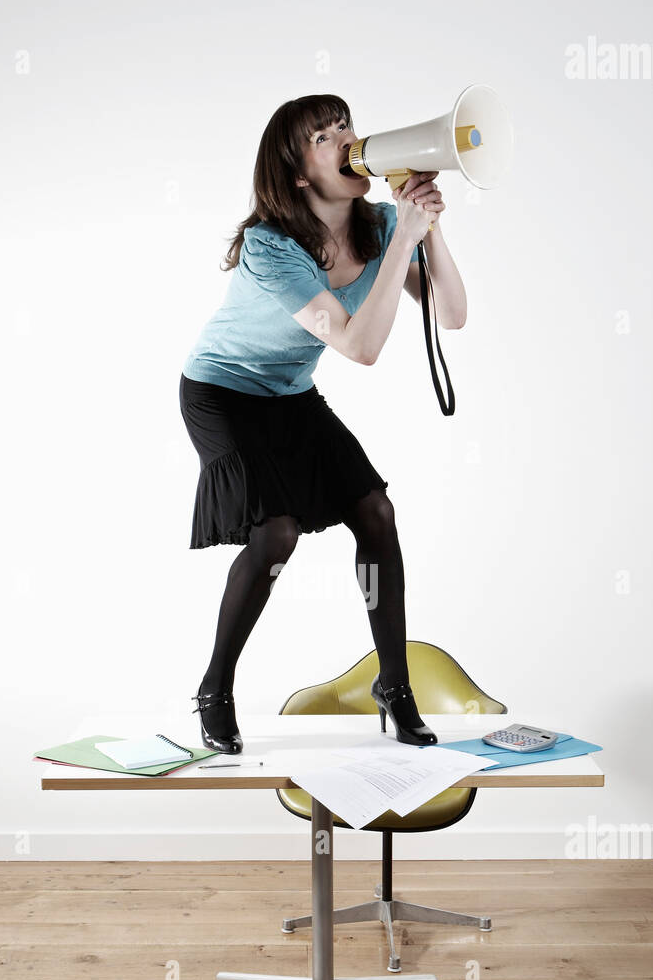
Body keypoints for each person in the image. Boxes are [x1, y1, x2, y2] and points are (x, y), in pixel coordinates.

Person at [179, 93, 467, 753]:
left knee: (376, 514)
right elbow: (359, 348)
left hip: (290, 392)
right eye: (323, 136)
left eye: (347, 127)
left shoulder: (381, 226)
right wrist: (404, 243)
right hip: (222, 394)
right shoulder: (270, 247)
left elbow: (451, 314)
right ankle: (214, 687)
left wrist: (426, 228)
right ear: (300, 173)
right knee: (276, 532)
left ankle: (393, 687)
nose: (346, 140)